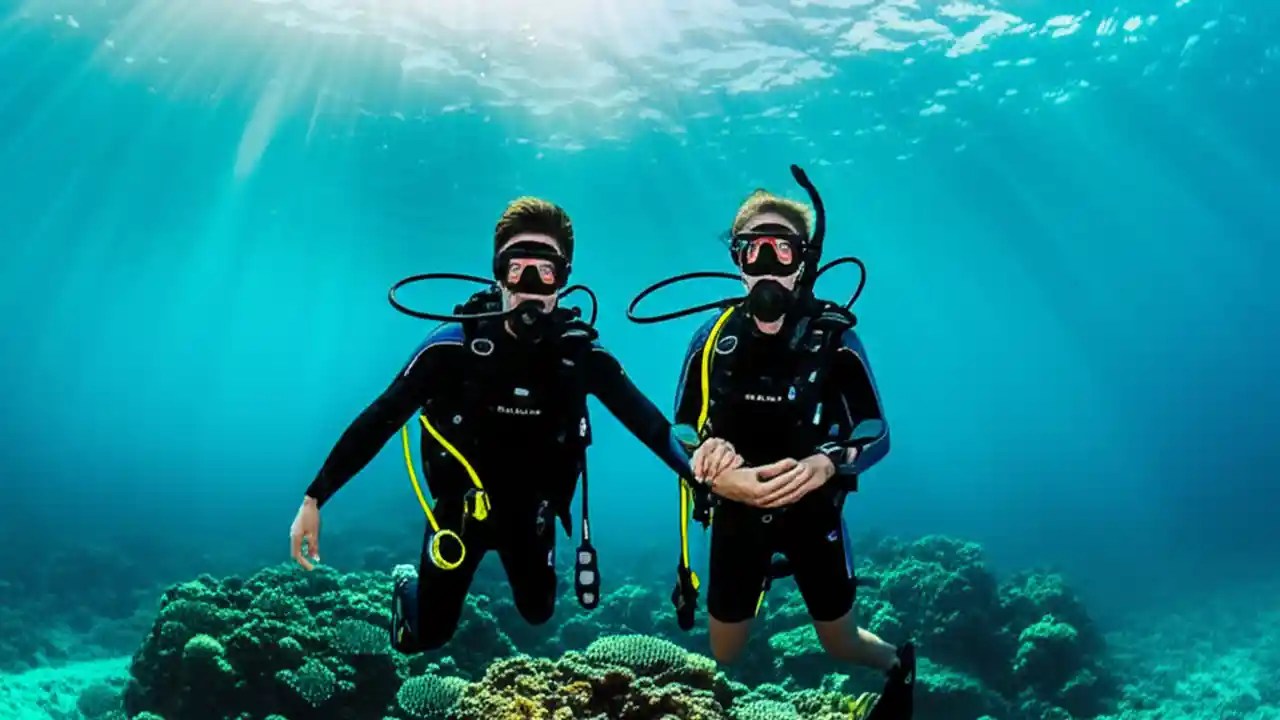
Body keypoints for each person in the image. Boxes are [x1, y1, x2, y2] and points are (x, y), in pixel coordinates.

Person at [288, 196, 789, 654]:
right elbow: (380, 417)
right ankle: (407, 586)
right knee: (426, 636)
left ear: (563, 278)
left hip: (534, 515)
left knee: (538, 613)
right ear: (498, 274)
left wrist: (708, 474)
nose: (529, 286)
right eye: (517, 268)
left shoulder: (580, 356)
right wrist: (315, 498)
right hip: (457, 514)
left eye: (544, 272)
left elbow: (653, 428)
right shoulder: (450, 348)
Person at [627, 165, 914, 717]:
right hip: (735, 510)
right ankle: (761, 576)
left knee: (840, 643)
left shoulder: (836, 338)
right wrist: (707, 462)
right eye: (751, 251)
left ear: (803, 261)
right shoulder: (711, 338)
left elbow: (877, 433)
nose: (765, 267)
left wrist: (829, 463)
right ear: (736, 261)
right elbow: (679, 428)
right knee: (725, 653)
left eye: (780, 252)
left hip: (813, 513)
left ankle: (900, 662)